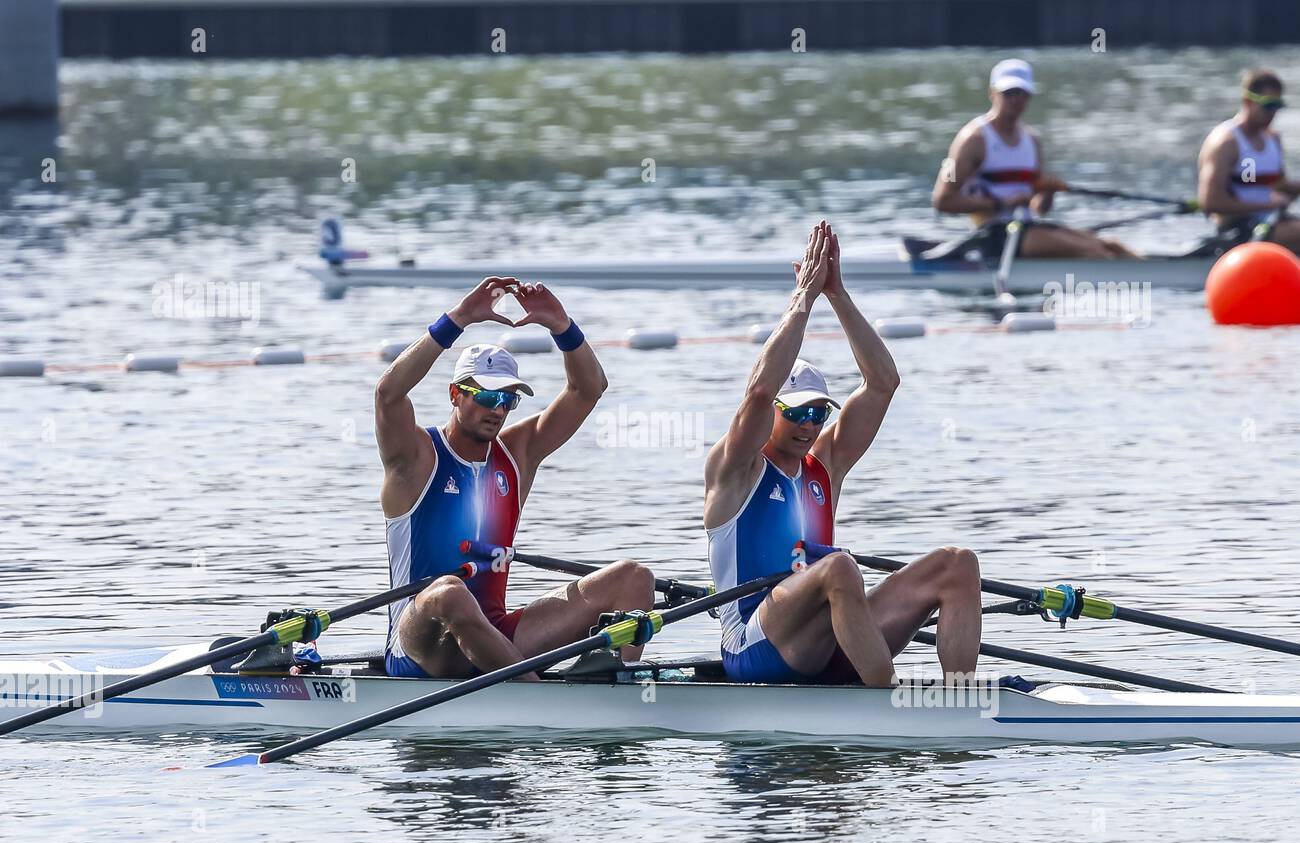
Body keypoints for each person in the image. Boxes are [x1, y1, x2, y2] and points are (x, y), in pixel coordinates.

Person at [703, 222, 983, 688]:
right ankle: (886, 697)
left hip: (826, 637)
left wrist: (838, 295)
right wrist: (803, 300)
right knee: (837, 566)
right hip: (754, 646)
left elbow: (883, 383)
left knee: (958, 564)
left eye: (818, 413)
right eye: (797, 413)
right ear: (774, 411)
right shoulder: (736, 469)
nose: (810, 424)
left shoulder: (823, 465)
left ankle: (959, 700)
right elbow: (757, 392)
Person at [375, 277, 654, 679]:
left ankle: (619, 686)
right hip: (420, 647)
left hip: (495, 634)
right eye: (487, 396)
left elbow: (590, 388)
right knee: (450, 591)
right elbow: (388, 394)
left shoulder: (517, 454)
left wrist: (562, 326)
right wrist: (458, 320)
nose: (497, 409)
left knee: (633, 579)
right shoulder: (416, 458)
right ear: (456, 395)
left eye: (507, 399)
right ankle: (534, 693)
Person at [932, 58, 1139, 259]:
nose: (1016, 99)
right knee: (1095, 253)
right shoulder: (972, 139)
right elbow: (942, 200)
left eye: (1022, 93)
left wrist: (1047, 192)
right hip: (991, 235)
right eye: (1009, 92)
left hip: (1025, 229)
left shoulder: (1032, 141)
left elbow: (1039, 208)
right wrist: (1001, 203)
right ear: (992, 93)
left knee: (1112, 246)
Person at [1197, 69, 1300, 254]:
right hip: (1237, 229)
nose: (1273, 112)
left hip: (1271, 222)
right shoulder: (1225, 142)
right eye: (1268, 105)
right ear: (1247, 101)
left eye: (1278, 105)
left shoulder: (1273, 138)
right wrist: (1268, 205)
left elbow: (1280, 186)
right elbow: (1210, 202)